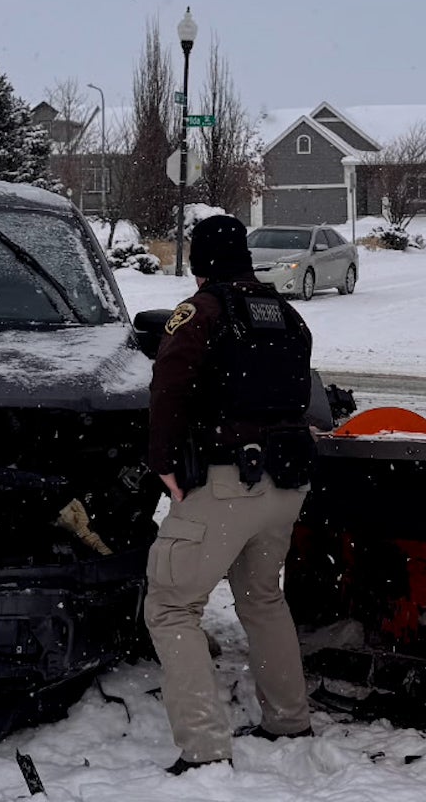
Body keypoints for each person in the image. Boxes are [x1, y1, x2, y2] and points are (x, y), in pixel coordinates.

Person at [144, 214, 317, 775]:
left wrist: (164, 464)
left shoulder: (201, 312)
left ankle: (204, 751)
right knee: (262, 596)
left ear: (199, 265)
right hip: (286, 483)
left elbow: (168, 386)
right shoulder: (287, 315)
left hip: (225, 482)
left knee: (172, 605)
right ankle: (288, 719)